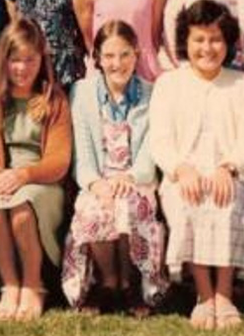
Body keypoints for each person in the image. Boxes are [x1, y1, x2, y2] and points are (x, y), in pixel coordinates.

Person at [149, 0, 244, 329]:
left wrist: (228, 168)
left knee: (225, 203)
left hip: (230, 171)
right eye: (199, 39)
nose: (207, 47)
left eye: (215, 39)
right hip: (182, 174)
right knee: (190, 204)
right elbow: (160, 141)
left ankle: (225, 294)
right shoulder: (169, 84)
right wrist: (181, 169)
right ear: (185, 41)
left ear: (227, 43)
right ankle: (204, 295)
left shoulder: (243, 84)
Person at [61, 21, 169, 315]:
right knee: (96, 208)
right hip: (98, 179)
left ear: (136, 53)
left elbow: (150, 152)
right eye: (109, 56)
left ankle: (131, 281)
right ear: (97, 57)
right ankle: (109, 282)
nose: (117, 63)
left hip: (137, 178)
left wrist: (131, 177)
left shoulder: (151, 92)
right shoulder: (82, 94)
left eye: (124, 54)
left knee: (129, 206)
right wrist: (96, 183)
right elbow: (82, 155)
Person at [0, 19, 73, 322]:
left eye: (30, 59)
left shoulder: (53, 99)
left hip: (41, 180)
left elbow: (59, 160)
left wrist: (24, 176)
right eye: (15, 60)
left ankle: (33, 283)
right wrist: (0, 176)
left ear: (42, 59)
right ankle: (10, 283)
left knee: (22, 209)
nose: (22, 68)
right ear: (4, 61)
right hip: (1, 177)